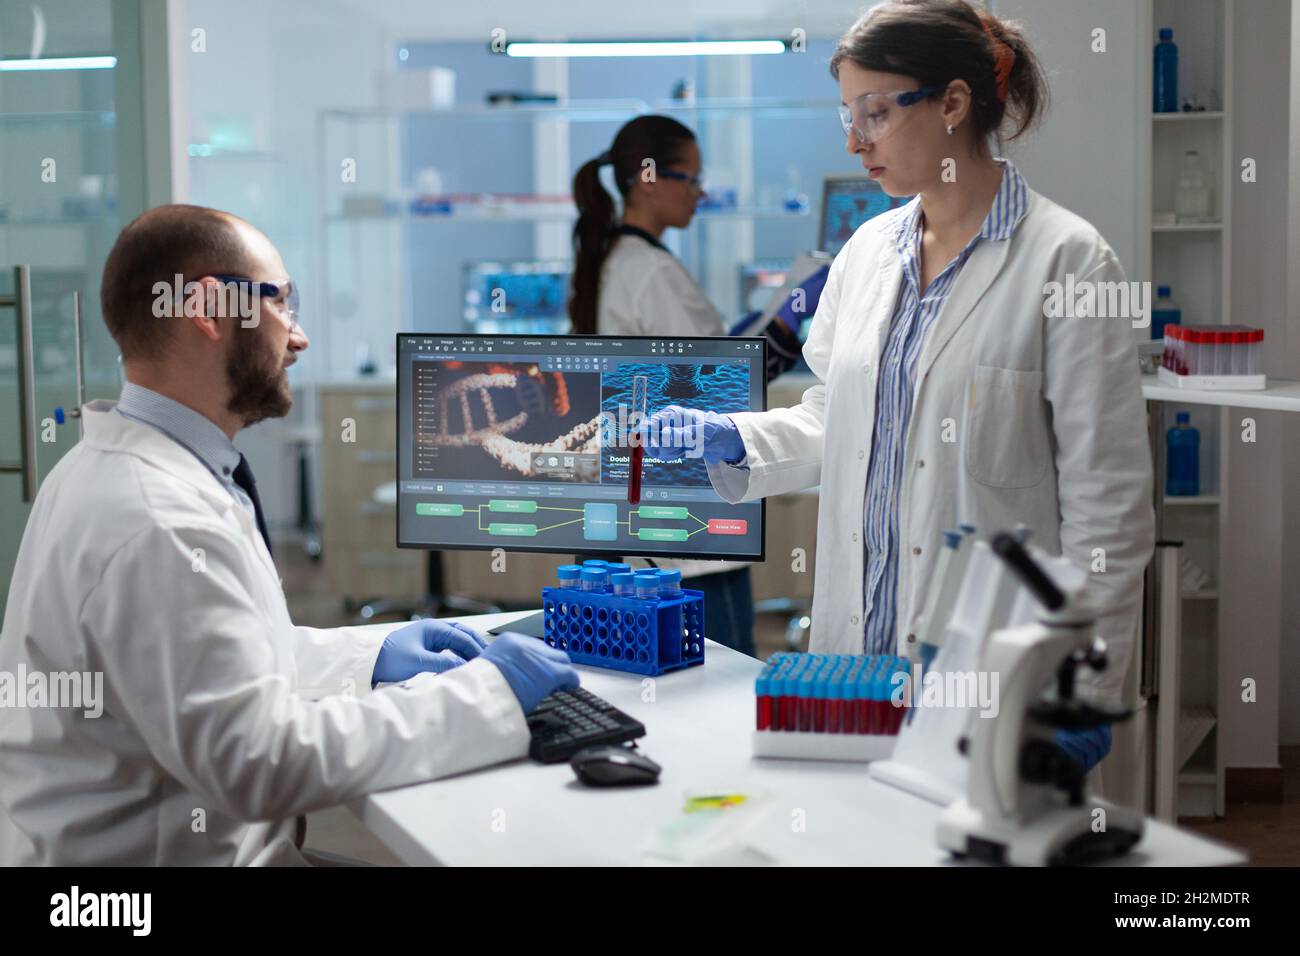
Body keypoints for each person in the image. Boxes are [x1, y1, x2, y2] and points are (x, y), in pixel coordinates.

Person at [647, 0, 1155, 773]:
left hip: (989, 675)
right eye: (848, 116)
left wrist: (1085, 685)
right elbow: (844, 417)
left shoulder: (1068, 263)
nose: (855, 141)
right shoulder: (867, 252)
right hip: (851, 669)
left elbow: (1108, 509)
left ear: (952, 103)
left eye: (876, 113)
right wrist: (742, 438)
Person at [0, 204, 577, 865]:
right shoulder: (156, 519)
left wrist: (371, 658)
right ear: (210, 310)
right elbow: (259, 761)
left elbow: (223, 663)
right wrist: (488, 695)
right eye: (281, 302)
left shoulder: (123, 468)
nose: (297, 339)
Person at [569, 116, 828, 657]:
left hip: (639, 509)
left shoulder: (620, 259)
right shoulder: (652, 272)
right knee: (719, 675)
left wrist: (752, 332)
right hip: (682, 524)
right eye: (690, 177)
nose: (700, 191)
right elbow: (720, 389)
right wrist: (786, 322)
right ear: (647, 178)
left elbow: (690, 363)